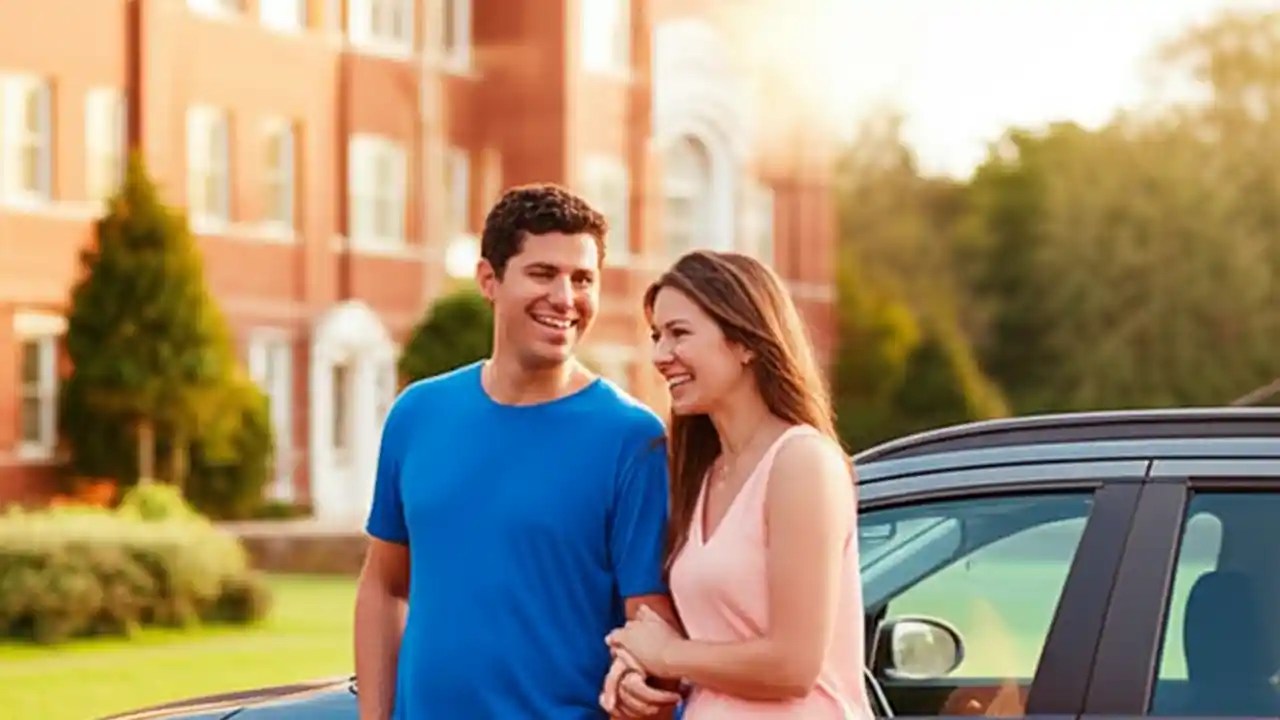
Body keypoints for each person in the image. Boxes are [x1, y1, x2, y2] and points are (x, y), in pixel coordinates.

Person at [354, 183, 682, 719]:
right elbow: (385, 586)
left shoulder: (631, 439)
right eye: (542, 273)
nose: (566, 298)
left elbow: (649, 623)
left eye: (582, 279)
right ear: (489, 280)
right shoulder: (417, 414)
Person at [599, 250, 873, 719]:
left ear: (745, 343)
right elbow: (707, 637)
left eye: (679, 333)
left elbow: (793, 664)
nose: (660, 356)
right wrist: (633, 670)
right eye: (656, 336)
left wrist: (667, 655)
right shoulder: (703, 474)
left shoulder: (800, 463)